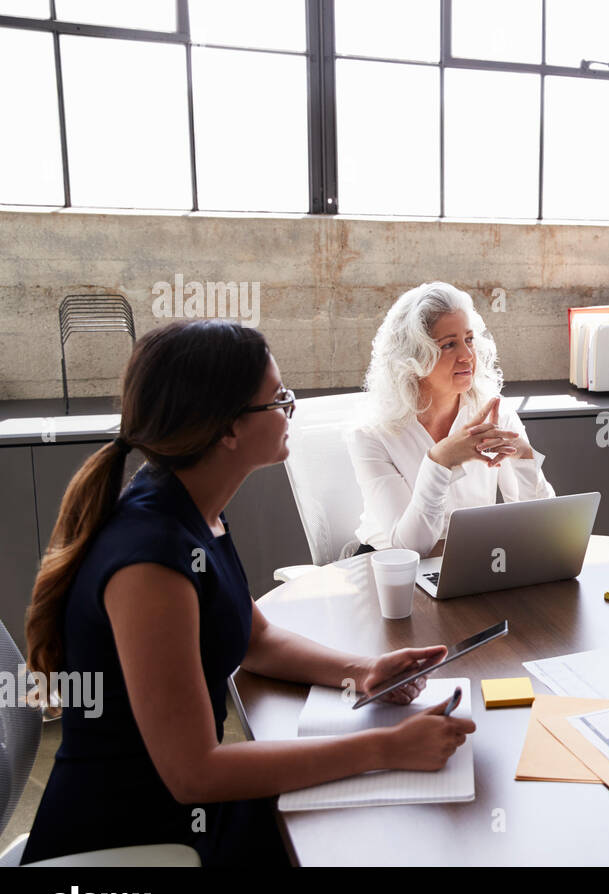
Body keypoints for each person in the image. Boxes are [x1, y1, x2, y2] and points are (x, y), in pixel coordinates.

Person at [21, 320, 475, 866]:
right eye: (278, 400)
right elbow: (195, 773)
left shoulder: (194, 511)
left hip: (183, 814)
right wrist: (385, 748)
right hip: (131, 845)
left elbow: (255, 640)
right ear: (228, 429)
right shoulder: (151, 559)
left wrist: (363, 670)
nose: (290, 410)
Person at [347, 281, 554, 556]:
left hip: (471, 560)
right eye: (449, 345)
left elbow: (543, 526)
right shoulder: (372, 435)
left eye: (469, 340)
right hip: (388, 568)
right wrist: (441, 460)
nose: (467, 355)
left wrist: (525, 456)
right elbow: (409, 547)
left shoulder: (494, 411)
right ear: (414, 357)